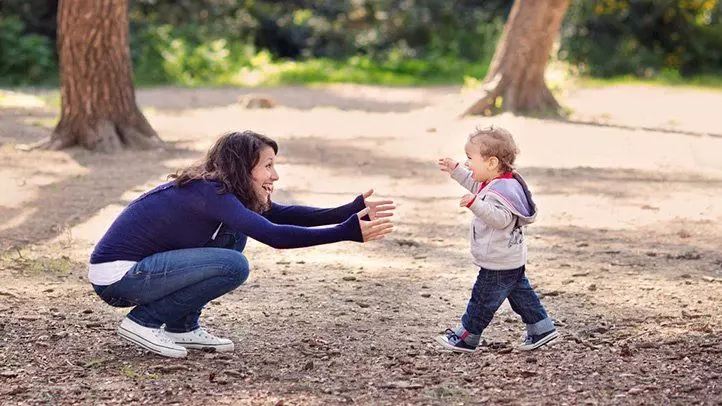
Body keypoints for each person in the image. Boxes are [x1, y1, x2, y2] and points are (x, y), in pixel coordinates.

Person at [88, 130, 395, 358]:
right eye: (268, 166)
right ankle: (143, 322)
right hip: (120, 278)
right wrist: (345, 231)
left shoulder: (224, 193)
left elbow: (282, 214)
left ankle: (182, 326)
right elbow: (276, 236)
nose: (275, 175)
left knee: (236, 233)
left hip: (141, 273)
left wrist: (347, 211)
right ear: (243, 168)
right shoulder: (211, 193)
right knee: (233, 264)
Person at [435, 125, 558, 353]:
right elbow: (475, 183)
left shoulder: (503, 190)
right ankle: (542, 328)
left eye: (470, 158)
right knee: (521, 295)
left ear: (491, 163)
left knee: (482, 300)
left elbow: (501, 219)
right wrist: (456, 170)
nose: (467, 164)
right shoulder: (497, 182)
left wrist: (474, 204)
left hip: (499, 261)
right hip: (510, 258)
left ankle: (467, 336)